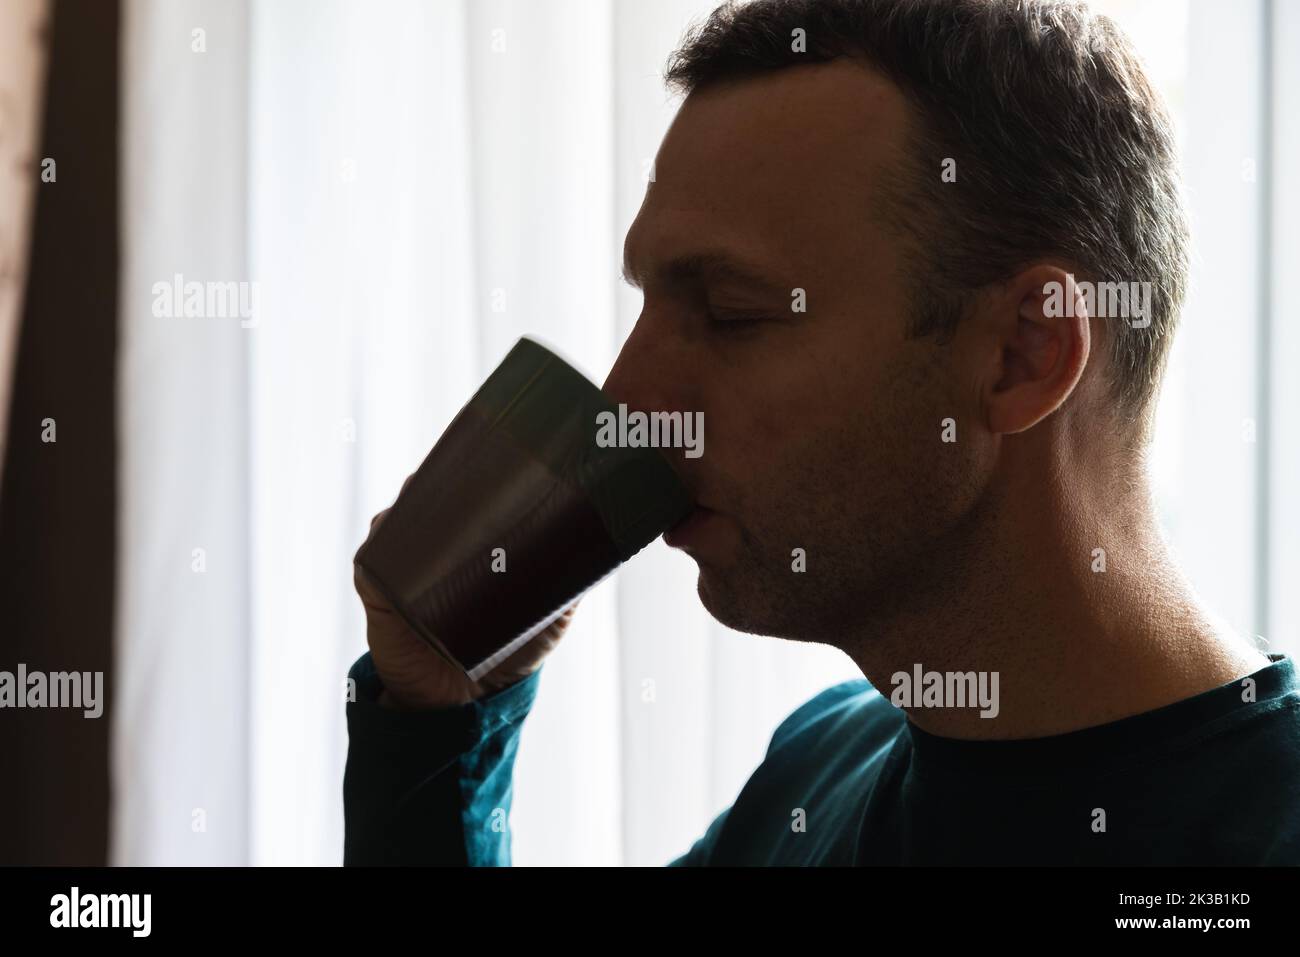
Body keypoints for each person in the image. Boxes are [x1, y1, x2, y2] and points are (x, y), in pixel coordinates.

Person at [343, 0, 1300, 866]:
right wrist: (439, 720)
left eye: (731, 312)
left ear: (1023, 354)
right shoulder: (817, 773)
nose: (625, 402)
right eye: (647, 309)